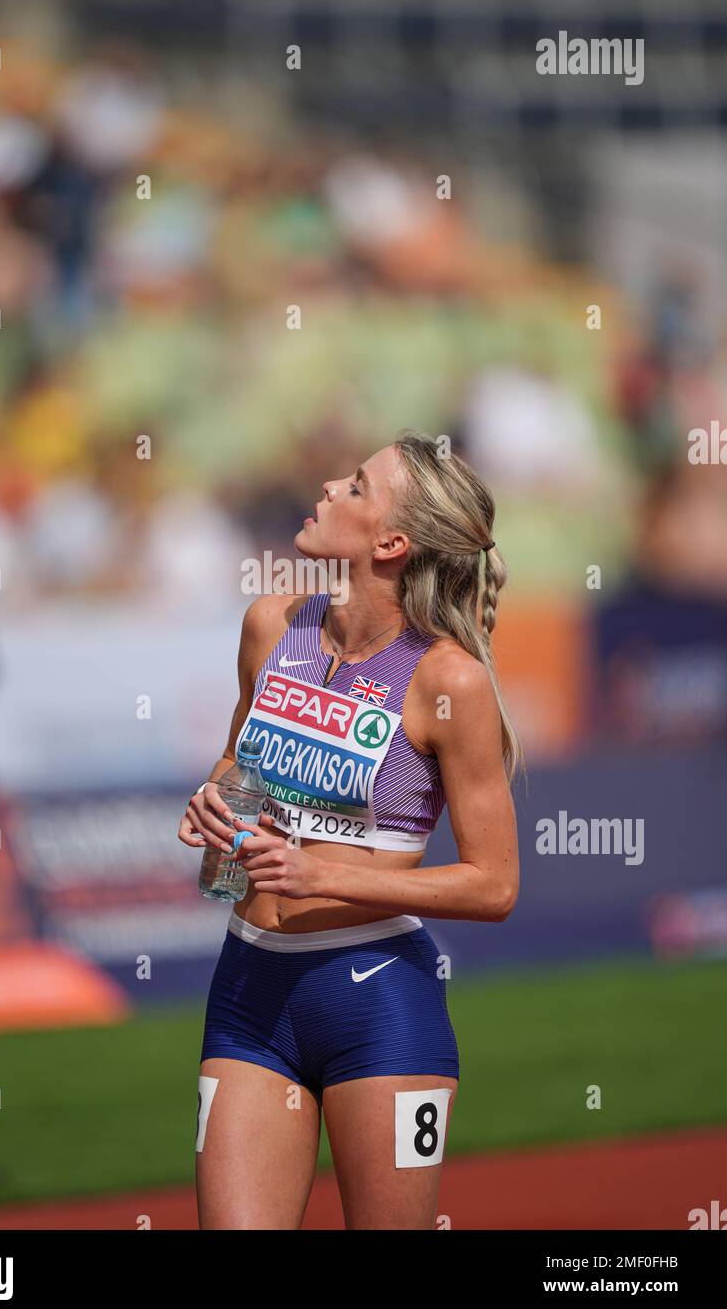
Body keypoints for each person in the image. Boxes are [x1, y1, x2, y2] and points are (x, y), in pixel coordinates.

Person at [178, 431, 520, 1230]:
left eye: (357, 488)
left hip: (376, 997)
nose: (330, 486)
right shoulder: (272, 624)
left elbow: (495, 884)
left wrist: (322, 875)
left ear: (391, 541)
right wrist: (213, 812)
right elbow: (238, 775)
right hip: (247, 988)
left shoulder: (448, 679)